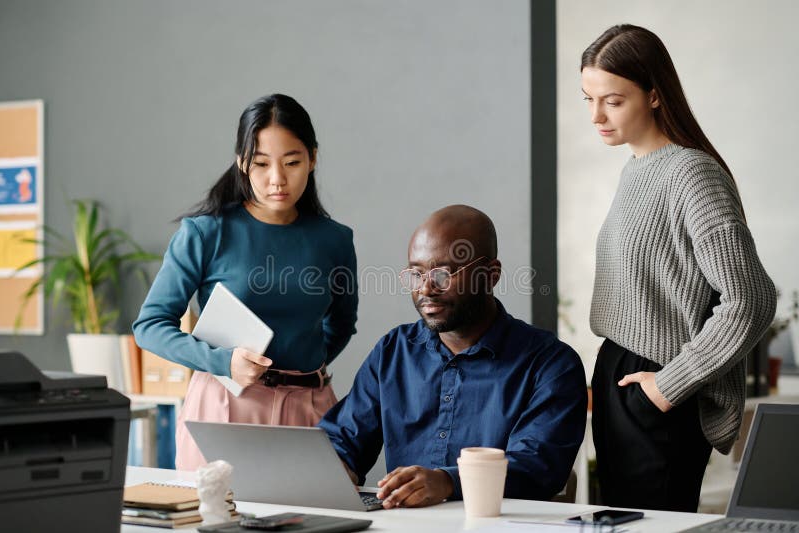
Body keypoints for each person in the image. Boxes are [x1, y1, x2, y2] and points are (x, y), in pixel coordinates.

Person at [581, 25, 776, 512]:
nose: (596, 116)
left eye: (613, 100)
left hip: (660, 385)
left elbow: (750, 299)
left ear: (653, 94)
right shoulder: (636, 168)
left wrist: (669, 386)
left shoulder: (692, 174)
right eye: (588, 98)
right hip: (621, 376)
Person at [133, 94, 358, 471]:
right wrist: (223, 362)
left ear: (313, 159)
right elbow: (149, 326)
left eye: (292, 162)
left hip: (308, 411)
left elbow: (341, 325)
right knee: (216, 524)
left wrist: (301, 371)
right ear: (241, 163)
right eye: (261, 164)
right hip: (222, 405)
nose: (277, 180)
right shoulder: (206, 233)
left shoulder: (334, 239)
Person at [318, 205, 587, 508]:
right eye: (416, 274)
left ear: (490, 275)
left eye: (443, 274)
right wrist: (335, 469)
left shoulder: (551, 365)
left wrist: (447, 482)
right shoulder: (393, 351)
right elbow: (344, 438)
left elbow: (535, 468)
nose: (426, 289)